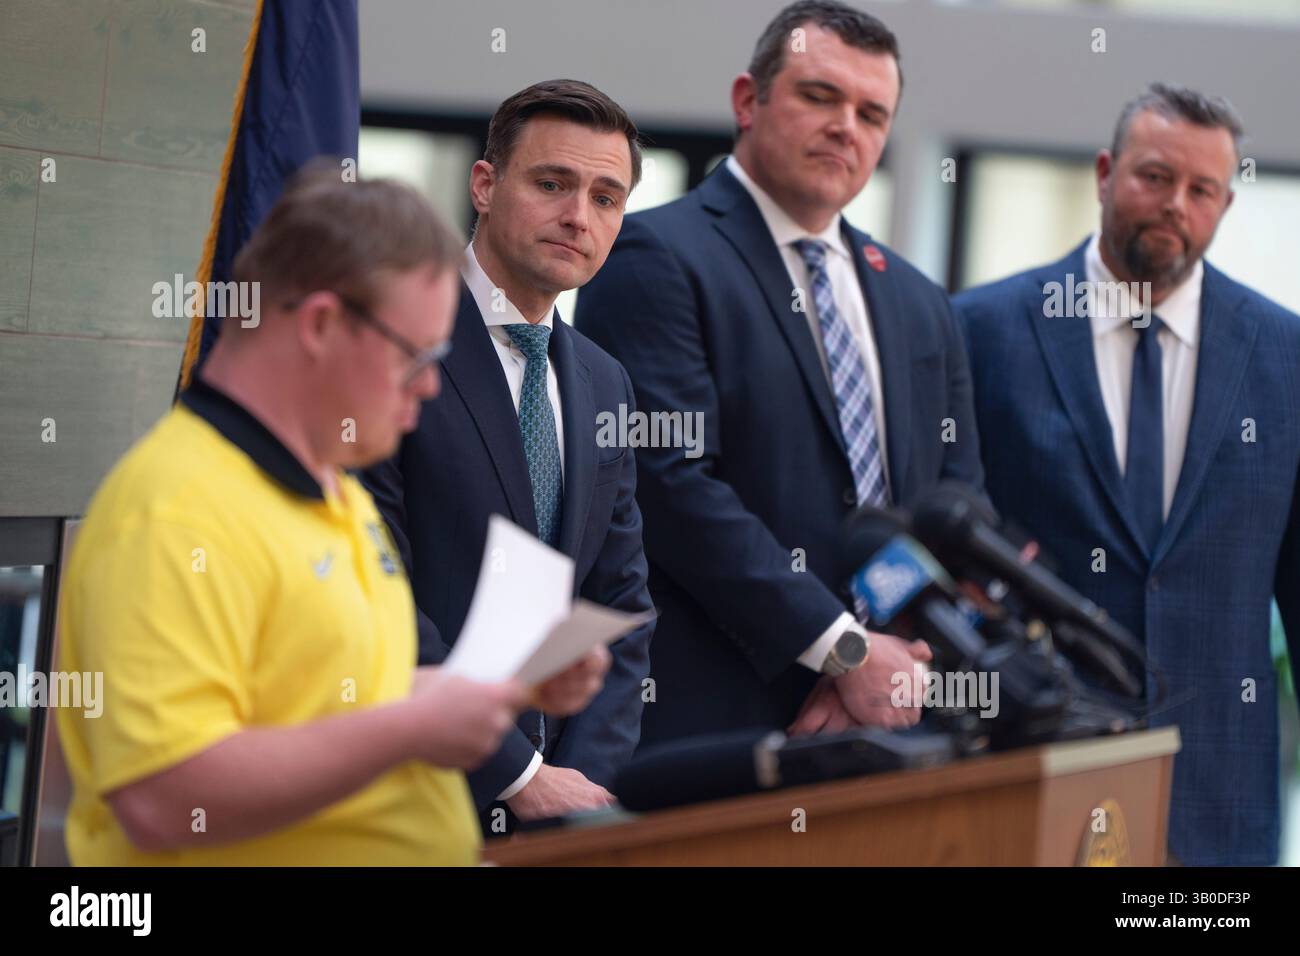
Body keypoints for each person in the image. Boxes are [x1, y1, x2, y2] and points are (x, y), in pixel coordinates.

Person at [56, 167, 610, 865]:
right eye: (416, 356)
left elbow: (340, 690)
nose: (432, 385)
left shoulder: (332, 484)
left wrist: (499, 690)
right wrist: (414, 726)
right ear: (320, 324)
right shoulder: (175, 510)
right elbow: (164, 797)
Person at [574, 1, 981, 748]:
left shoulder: (921, 302)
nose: (846, 127)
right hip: (721, 721)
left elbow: (952, 505)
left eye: (871, 112)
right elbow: (669, 486)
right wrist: (839, 650)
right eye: (819, 96)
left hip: (894, 715)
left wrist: (889, 655)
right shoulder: (653, 257)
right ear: (747, 101)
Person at [954, 83, 1300, 866]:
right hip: (1029, 768)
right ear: (1105, 173)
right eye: (1153, 176)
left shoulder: (1288, 356)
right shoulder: (981, 331)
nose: (1175, 202)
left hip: (1219, 795)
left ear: (1224, 204)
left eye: (1201, 189)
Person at [363, 80, 654, 832]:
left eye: (605, 197)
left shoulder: (605, 381)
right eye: (552, 183)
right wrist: (513, 774)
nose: (576, 216)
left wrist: (577, 782)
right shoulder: (395, 339)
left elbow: (618, 605)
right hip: (400, 793)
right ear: (485, 185)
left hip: (559, 815)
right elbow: (373, 584)